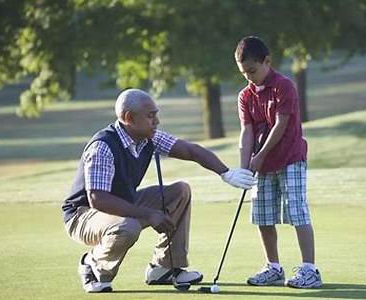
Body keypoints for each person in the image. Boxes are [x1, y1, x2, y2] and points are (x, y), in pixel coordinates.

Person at [62, 88, 257, 293]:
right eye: (150, 116)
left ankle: (164, 268)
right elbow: (98, 199)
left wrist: (226, 173)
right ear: (129, 118)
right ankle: (93, 266)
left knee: (180, 192)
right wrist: (148, 214)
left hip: (121, 205)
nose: (157, 121)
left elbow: (190, 150)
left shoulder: (148, 136)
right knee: (128, 227)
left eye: (156, 115)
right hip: (83, 215)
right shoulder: (103, 146)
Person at [234, 36, 322, 289]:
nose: (249, 77)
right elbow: (246, 131)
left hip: (290, 158)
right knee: (262, 215)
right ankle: (273, 267)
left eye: (252, 70)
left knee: (297, 211)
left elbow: (281, 125)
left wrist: (260, 156)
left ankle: (309, 270)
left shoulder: (285, 86)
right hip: (262, 166)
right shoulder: (245, 96)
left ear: (267, 61)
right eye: (243, 73)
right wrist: (243, 168)